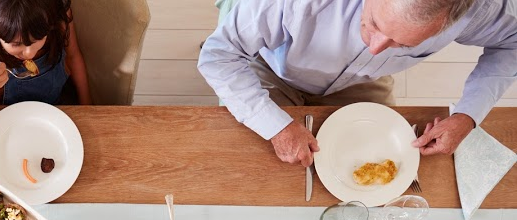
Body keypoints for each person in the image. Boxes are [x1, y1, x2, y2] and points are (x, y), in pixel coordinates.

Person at [198, 0, 517, 166]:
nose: (375, 47)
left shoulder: (481, 10)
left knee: (384, 166)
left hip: (364, 81)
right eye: (375, 24)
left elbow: (512, 43)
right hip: (268, 66)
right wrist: (277, 126)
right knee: (250, 164)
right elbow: (218, 55)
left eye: (402, 44)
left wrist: (468, 115)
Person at [0, 0, 92, 126]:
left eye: (37, 39)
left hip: (51, 114)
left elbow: (73, 58)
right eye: (16, 44)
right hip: (1, 121)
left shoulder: (60, 19)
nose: (29, 53)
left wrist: (88, 108)